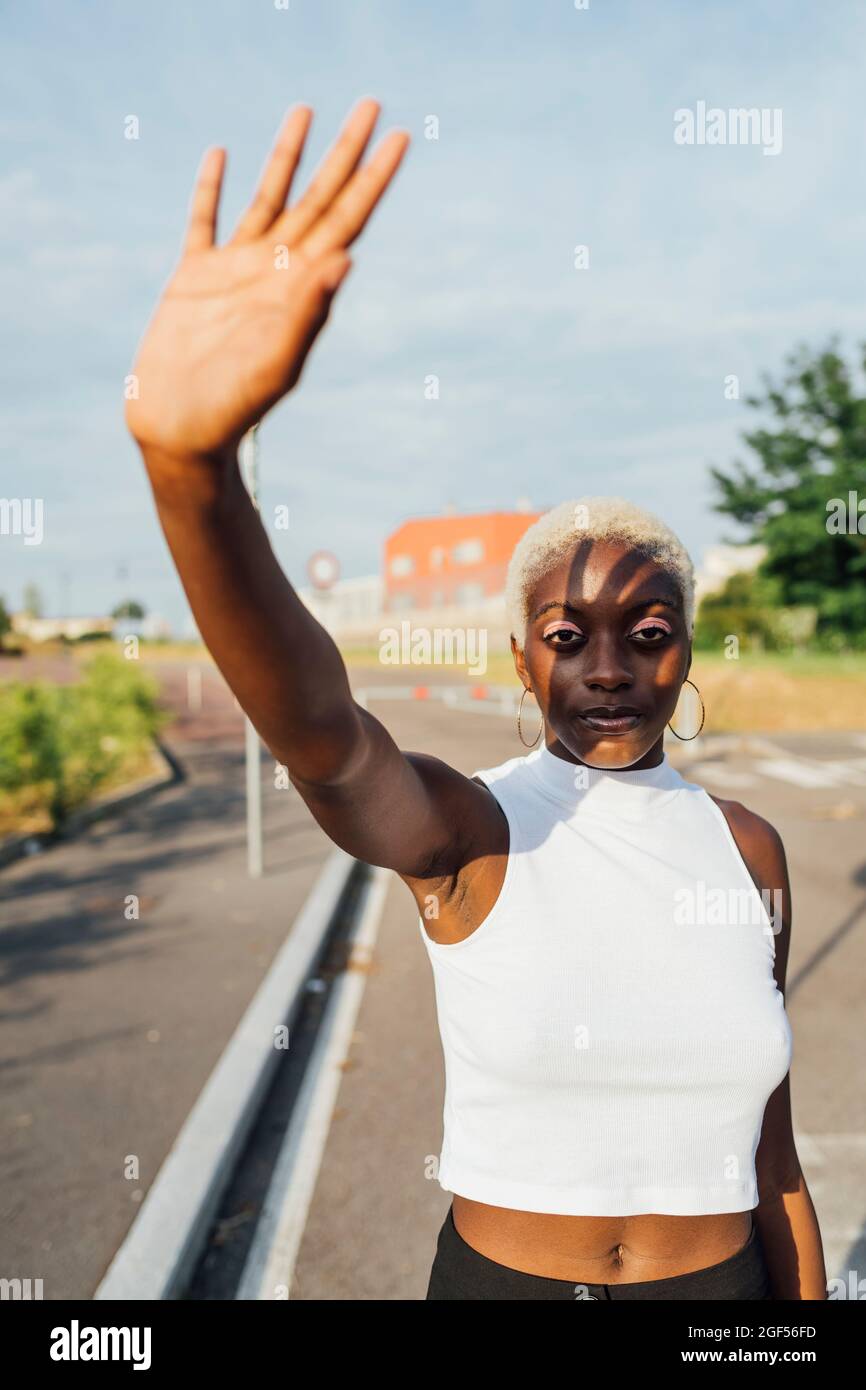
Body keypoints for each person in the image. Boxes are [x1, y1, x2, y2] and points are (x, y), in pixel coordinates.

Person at [125, 97, 826, 1301]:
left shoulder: (748, 851)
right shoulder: (471, 830)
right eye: (566, 635)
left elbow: (770, 1160)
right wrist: (191, 476)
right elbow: (326, 739)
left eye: (644, 633)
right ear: (520, 661)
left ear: (685, 651)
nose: (606, 666)